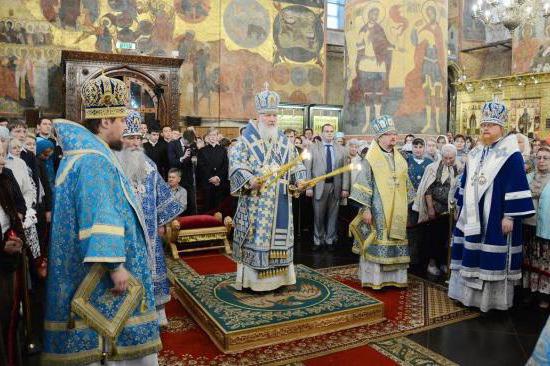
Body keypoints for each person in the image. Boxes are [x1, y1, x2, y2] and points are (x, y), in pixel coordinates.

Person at [42, 74, 162, 365]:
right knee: (108, 336)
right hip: (103, 271)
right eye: (120, 119)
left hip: (91, 267)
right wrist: (116, 265)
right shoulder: (93, 160)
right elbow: (100, 215)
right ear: (105, 121)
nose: (124, 126)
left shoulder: (85, 154)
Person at [448, 101, 535, 312]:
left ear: (501, 128)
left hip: (496, 215)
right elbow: (466, 180)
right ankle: (466, 296)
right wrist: (461, 205)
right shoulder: (476, 152)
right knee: (471, 253)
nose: (485, 128)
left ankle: (489, 301)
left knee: (489, 256)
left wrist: (510, 216)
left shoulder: (511, 154)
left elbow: (515, 185)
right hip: (471, 214)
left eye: (491, 125)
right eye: (484, 123)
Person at [228, 84, 306, 292]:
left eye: (274, 115)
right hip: (257, 201)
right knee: (258, 238)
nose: (271, 119)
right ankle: (254, 282)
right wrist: (249, 180)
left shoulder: (284, 142)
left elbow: (296, 163)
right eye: (267, 115)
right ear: (259, 115)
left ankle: (281, 280)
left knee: (279, 240)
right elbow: (236, 164)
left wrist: (300, 180)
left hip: (280, 199)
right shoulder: (246, 141)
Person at [116, 111, 184, 326]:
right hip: (124, 231)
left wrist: (162, 222)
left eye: (138, 138)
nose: (136, 142)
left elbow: (161, 196)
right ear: (122, 139)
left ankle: (157, 312)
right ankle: (128, 312)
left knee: (153, 268)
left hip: (150, 230)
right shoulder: (113, 165)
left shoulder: (150, 166)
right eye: (131, 138)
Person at [349, 115, 412, 289]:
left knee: (395, 240)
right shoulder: (371, 158)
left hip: (397, 209)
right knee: (377, 240)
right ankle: (375, 279)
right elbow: (363, 185)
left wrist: (407, 208)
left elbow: (406, 184)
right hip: (378, 210)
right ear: (380, 137)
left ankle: (397, 279)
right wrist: (365, 209)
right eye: (389, 134)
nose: (394, 137)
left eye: (395, 134)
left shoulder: (400, 158)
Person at [413, 144, 459, 276]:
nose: (448, 161)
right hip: (435, 209)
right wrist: (430, 208)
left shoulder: (460, 167)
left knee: (448, 239)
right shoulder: (433, 168)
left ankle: (445, 262)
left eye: (451, 158)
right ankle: (432, 264)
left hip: (451, 211)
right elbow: (427, 189)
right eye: (446, 158)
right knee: (433, 238)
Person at [0, 143, 27, 366]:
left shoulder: (5, 177)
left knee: (9, 318)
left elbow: (16, 210)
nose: (2, 160)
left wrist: (18, 238)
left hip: (8, 262)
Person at [305, 124, 350, 251]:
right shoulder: (313, 148)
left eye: (331, 131)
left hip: (335, 185)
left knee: (333, 215)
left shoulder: (341, 149)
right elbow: (308, 168)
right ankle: (318, 239)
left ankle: (330, 239)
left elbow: (345, 171)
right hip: (319, 186)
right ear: (321, 133)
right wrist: (308, 187)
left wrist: (345, 188)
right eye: (327, 131)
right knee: (318, 215)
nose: (329, 133)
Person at [522, 146, 550, 308]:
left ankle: (544, 296)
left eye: (546, 158)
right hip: (527, 225)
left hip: (546, 228)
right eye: (539, 157)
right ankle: (529, 292)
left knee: (544, 261)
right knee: (529, 260)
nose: (541, 161)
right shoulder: (528, 177)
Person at [197, 128, 229, 212]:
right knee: (207, 207)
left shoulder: (223, 150)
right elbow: (201, 167)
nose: (212, 137)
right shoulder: (202, 151)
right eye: (210, 135)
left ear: (218, 136)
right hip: (207, 183)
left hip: (220, 183)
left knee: (219, 208)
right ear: (207, 137)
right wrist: (211, 178)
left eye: (214, 135)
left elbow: (225, 166)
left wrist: (218, 177)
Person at [168, 129, 197, 215]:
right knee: (178, 201)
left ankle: (192, 222)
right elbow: (171, 161)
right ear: (183, 137)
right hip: (177, 177)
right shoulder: (172, 144)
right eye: (187, 142)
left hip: (188, 178)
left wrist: (194, 160)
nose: (188, 145)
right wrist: (182, 158)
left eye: (190, 143)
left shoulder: (192, 145)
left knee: (191, 201)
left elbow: (194, 157)